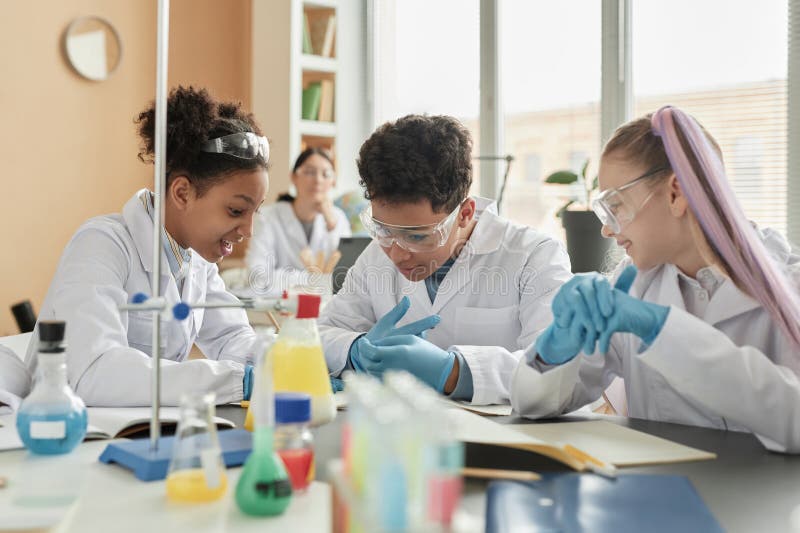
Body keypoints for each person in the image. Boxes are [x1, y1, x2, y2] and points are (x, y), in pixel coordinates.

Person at [512, 105, 800, 452]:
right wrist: (554, 349)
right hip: (658, 494)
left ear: (676, 193)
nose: (606, 229)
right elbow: (533, 405)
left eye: (615, 207)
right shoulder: (633, 287)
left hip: (766, 503)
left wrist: (661, 329)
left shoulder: (790, 280)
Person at [25, 86, 269, 407]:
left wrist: (291, 355)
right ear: (182, 193)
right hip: (66, 436)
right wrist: (240, 381)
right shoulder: (102, 245)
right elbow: (95, 372)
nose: (248, 230)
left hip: (142, 432)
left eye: (256, 211)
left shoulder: (195, 260)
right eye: (236, 211)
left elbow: (230, 337)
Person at [318, 114, 572, 405]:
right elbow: (321, 333)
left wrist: (454, 371)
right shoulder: (377, 255)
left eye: (417, 236)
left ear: (464, 214)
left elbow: (558, 372)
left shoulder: (535, 256)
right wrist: (355, 349)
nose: (397, 253)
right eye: (383, 230)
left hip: (502, 443)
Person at [246, 148, 351, 296]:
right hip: (279, 305)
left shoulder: (338, 219)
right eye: (310, 172)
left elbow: (345, 277)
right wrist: (313, 279)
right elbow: (258, 276)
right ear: (294, 177)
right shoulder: (268, 217)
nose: (318, 180)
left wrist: (331, 226)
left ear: (333, 181)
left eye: (326, 174)